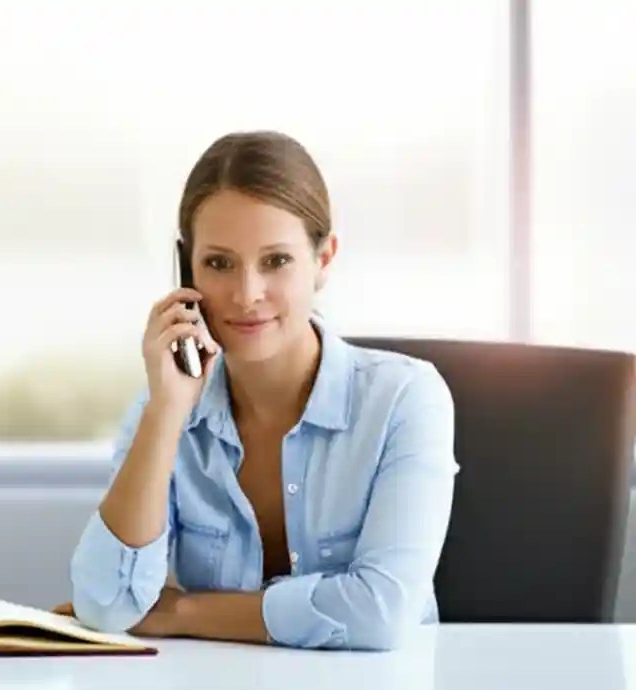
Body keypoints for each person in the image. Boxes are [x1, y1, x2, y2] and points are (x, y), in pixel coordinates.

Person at [55, 130, 459, 651]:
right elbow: (107, 606)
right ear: (186, 267)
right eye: (219, 263)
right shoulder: (164, 408)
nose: (247, 295)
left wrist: (184, 612)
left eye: (276, 261)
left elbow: (381, 613)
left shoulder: (406, 399)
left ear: (324, 260)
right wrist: (166, 412)